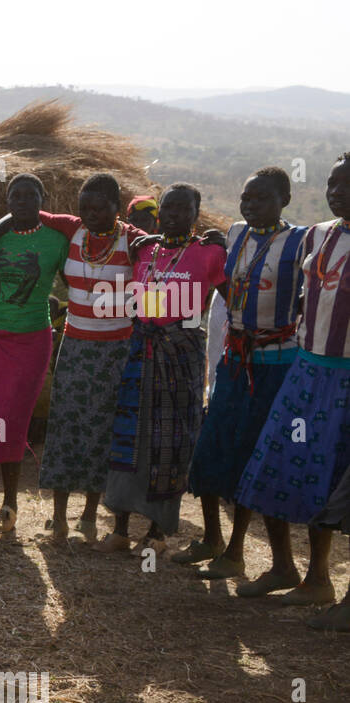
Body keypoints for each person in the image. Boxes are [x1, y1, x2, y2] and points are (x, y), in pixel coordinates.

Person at [178, 168, 308, 584]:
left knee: (256, 457)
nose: (250, 206)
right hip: (234, 361)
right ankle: (213, 540)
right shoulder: (234, 233)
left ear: (284, 199)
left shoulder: (301, 241)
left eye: (261, 199)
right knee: (212, 447)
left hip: (277, 365)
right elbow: (221, 282)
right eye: (246, 198)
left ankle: (245, 554)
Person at [236, 154, 350, 623]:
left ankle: (330, 587)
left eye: (347, 185)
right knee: (275, 466)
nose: (337, 192)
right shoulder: (320, 235)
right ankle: (290, 570)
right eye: (332, 184)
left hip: (346, 377)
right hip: (306, 371)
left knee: (339, 482)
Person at [3, 174, 147, 544]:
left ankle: (88, 517)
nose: (91, 214)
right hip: (75, 347)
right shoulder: (73, 229)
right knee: (65, 427)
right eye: (85, 207)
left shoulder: (133, 240)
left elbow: (164, 273)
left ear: (118, 206)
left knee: (102, 432)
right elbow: (25, 213)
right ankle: (59, 518)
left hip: (117, 351)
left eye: (100, 208)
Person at [99, 183, 227, 554]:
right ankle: (120, 528)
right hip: (139, 349)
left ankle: (156, 533)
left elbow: (232, 297)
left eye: (181, 210)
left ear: (195, 214)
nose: (172, 216)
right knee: (128, 435)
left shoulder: (209, 253)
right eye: (167, 209)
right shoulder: (145, 250)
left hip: (180, 354)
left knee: (168, 441)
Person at [0, 173, 69, 533]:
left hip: (31, 343)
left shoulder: (57, 241)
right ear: (7, 202)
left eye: (30, 194)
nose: (22, 201)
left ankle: (9, 504)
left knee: (10, 421)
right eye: (15, 195)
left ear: (43, 198)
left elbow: (78, 284)